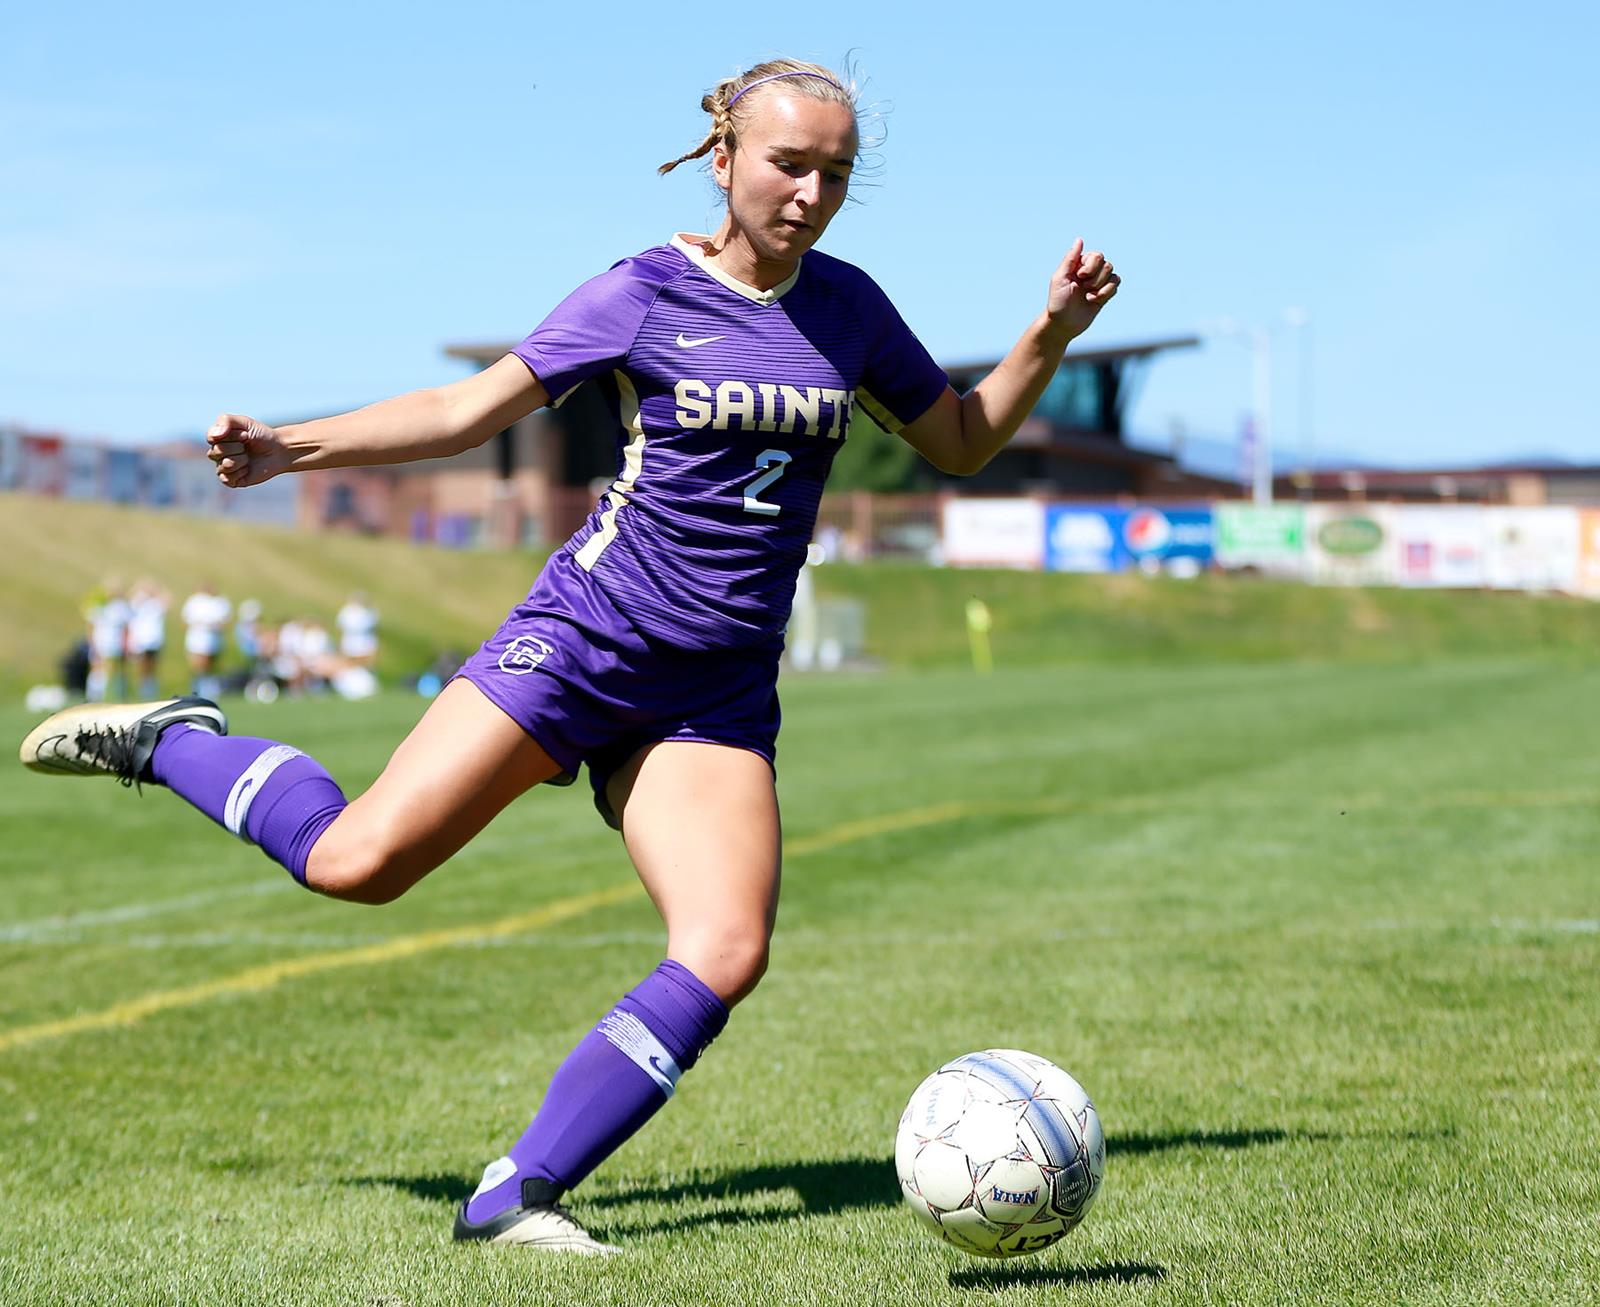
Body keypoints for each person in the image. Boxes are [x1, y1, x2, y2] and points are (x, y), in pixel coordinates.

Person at [19, 58, 1118, 1254]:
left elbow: (959, 440)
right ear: (724, 160)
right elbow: (467, 412)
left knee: (725, 947)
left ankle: (515, 1193)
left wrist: (1048, 335)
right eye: (788, 164)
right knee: (355, 863)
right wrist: (294, 445)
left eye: (836, 174)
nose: (810, 194)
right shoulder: (641, 291)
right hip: (584, 640)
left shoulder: (850, 308)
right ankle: (174, 741)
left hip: (713, 688)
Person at [180, 582, 232, 699]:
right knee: (198, 667)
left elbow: (225, 622)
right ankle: (196, 692)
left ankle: (208, 692)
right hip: (197, 640)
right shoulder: (194, 601)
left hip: (213, 640)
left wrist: (214, 626)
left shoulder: (220, 602)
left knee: (210, 667)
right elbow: (185, 620)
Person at [127, 579, 171, 699]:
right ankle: (143, 690)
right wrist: (140, 588)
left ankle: (151, 690)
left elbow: (168, 601)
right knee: (142, 666)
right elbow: (129, 599)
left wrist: (157, 590)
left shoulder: (157, 603)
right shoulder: (138, 601)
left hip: (155, 640)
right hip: (141, 640)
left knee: (153, 666)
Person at [335, 592, 381, 669]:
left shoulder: (369, 612)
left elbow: (373, 630)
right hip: (349, 641)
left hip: (364, 642)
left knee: (363, 665)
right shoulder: (346, 611)